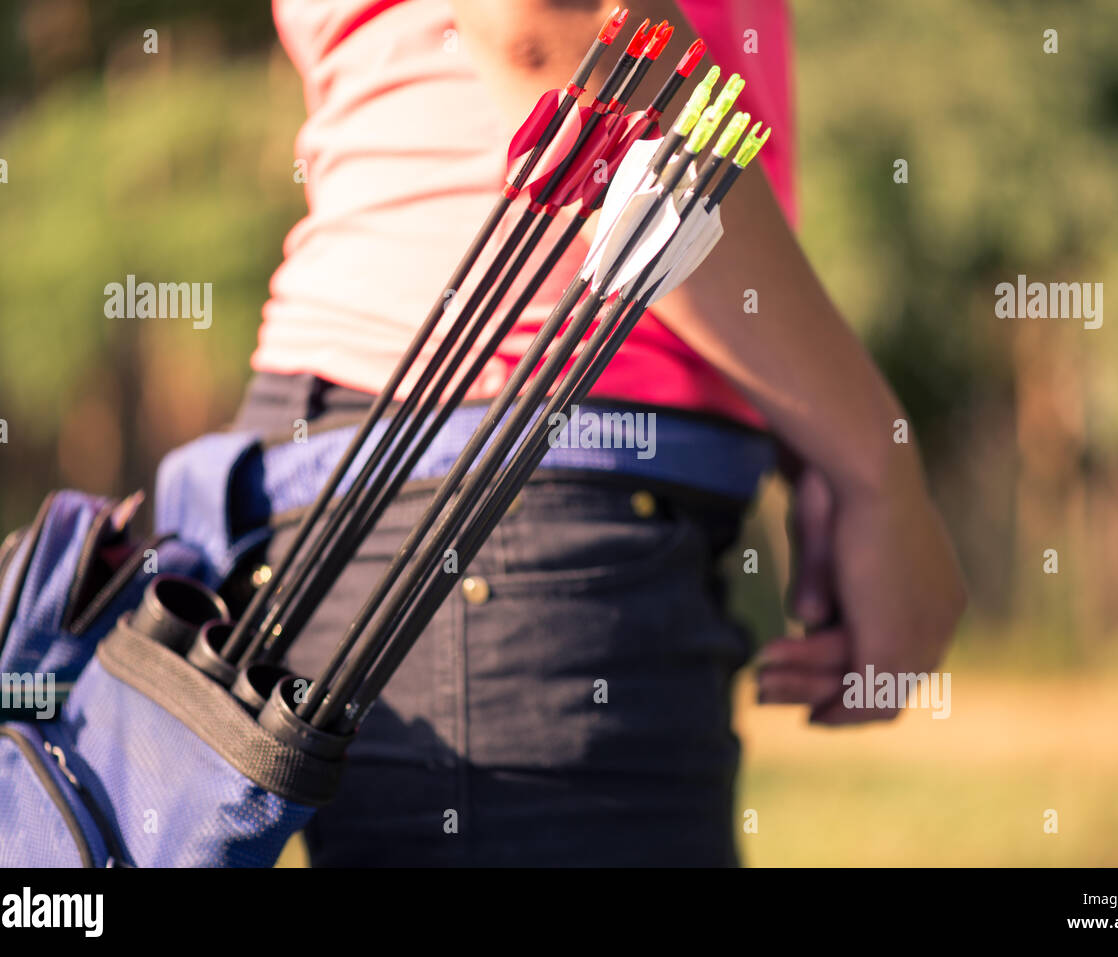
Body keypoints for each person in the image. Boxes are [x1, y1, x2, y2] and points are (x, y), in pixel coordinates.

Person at [232, 0, 966, 866]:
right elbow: (556, 30)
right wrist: (875, 465)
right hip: (510, 484)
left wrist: (803, 425)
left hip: (415, 470)